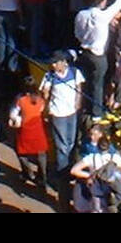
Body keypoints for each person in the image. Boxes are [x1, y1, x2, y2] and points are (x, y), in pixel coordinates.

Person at [74, 0, 121, 119]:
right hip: (98, 56)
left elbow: (77, 33)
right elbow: (117, 5)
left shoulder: (81, 14)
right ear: (103, 2)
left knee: (85, 81)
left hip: (84, 52)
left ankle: (85, 106)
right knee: (97, 84)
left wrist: (84, 40)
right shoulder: (102, 16)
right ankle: (96, 113)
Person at [40, 50, 84, 201]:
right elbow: (45, 93)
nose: (53, 65)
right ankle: (62, 177)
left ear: (63, 62)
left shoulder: (74, 72)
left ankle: (69, 173)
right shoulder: (49, 76)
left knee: (71, 143)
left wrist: (77, 102)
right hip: (58, 114)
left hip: (71, 112)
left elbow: (79, 88)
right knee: (62, 146)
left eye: (55, 62)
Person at [10, 75, 49, 193]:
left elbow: (13, 114)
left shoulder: (20, 100)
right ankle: (43, 177)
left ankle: (28, 173)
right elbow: (41, 110)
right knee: (41, 155)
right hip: (38, 130)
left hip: (25, 130)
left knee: (21, 153)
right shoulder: (40, 99)